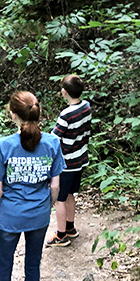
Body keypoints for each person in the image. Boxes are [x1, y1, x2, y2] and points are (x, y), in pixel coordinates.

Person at [0, 90, 65, 281]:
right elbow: (55, 186)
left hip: (10, 217)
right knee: (34, 259)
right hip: (39, 215)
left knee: (4, 265)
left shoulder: (3, 146)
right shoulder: (52, 143)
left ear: (13, 114)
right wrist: (48, 206)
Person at [47, 74, 92, 248]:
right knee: (70, 194)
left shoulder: (66, 114)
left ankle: (61, 235)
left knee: (60, 199)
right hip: (80, 158)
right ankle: (70, 227)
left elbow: (54, 138)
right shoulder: (86, 106)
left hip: (66, 163)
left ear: (64, 92)